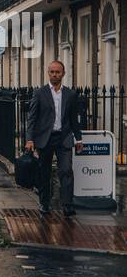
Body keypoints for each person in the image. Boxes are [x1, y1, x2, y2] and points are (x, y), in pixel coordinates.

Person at [25, 60, 84, 218]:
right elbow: (32, 118)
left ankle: (67, 205)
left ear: (63, 74)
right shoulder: (40, 93)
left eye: (57, 72)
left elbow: (73, 120)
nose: (54, 75)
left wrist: (78, 139)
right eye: (52, 72)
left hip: (63, 138)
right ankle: (44, 203)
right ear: (48, 73)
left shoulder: (70, 94)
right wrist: (30, 139)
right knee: (44, 172)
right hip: (45, 138)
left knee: (66, 170)